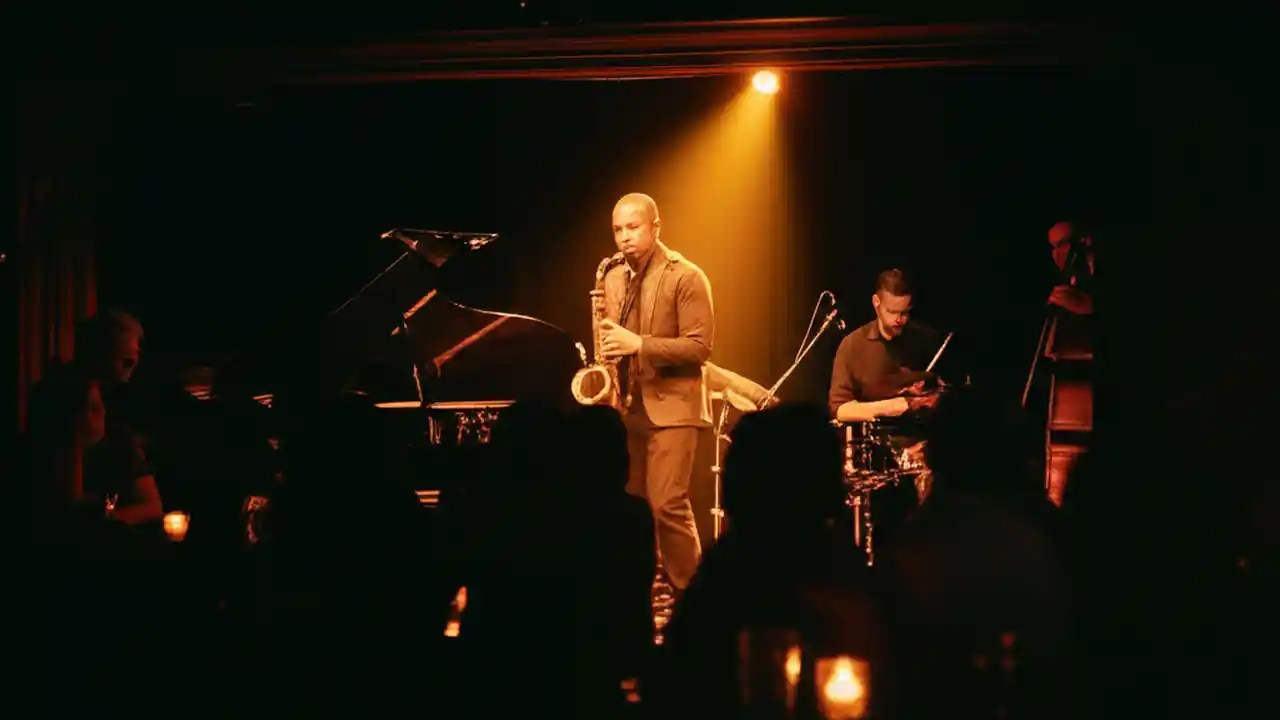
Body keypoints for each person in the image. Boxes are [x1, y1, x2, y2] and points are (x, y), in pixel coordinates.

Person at [598, 192, 714, 596]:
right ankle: (634, 599)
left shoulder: (686, 276)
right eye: (617, 229)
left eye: (633, 227)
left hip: (675, 406)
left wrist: (639, 345)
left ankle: (694, 598)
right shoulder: (612, 276)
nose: (624, 237)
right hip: (628, 404)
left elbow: (700, 347)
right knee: (628, 509)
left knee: (667, 504)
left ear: (655, 226)